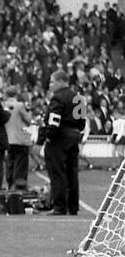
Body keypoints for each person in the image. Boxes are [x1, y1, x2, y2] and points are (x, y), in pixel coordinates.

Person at [38, 68, 85, 215]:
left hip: (59, 138)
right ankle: (73, 206)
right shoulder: (78, 98)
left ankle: (59, 206)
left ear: (60, 81)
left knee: (57, 172)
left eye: (52, 82)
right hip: (74, 136)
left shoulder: (57, 98)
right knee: (72, 172)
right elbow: (82, 123)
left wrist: (49, 136)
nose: (50, 85)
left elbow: (54, 121)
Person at [3, 87, 35, 190]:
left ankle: (10, 186)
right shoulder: (20, 105)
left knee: (10, 165)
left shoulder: (3, 105)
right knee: (20, 167)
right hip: (20, 140)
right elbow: (29, 120)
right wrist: (30, 111)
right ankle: (18, 189)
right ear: (16, 94)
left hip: (8, 139)